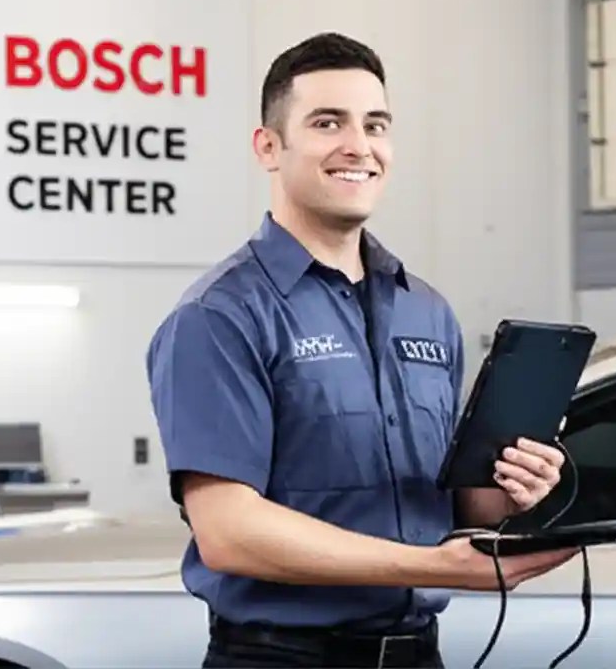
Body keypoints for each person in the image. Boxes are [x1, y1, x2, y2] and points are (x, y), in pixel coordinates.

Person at [144, 32, 578, 669]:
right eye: (327, 123)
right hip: (280, 658)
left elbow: (458, 506)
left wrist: (511, 491)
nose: (359, 146)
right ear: (268, 146)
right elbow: (229, 533)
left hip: (415, 655)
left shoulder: (426, 311)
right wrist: (435, 568)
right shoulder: (219, 315)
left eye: (376, 124)